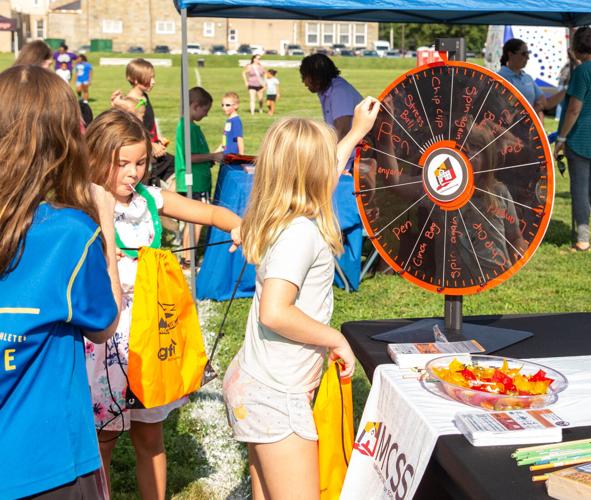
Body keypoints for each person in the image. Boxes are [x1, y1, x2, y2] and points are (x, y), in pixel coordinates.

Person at [222, 97, 379, 499]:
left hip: (260, 383)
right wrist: (336, 339)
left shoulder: (288, 217)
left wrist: (356, 133)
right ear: (313, 175)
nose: (336, 169)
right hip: (276, 394)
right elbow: (276, 311)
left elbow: (321, 174)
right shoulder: (300, 233)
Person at [85, 109, 242, 499]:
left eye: (140, 162)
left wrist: (236, 223)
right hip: (103, 344)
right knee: (103, 439)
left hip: (150, 341)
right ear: (95, 157)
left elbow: (207, 212)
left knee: (150, 437)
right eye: (121, 163)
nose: (133, 172)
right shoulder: (84, 206)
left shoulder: (150, 200)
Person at [0, 64, 121, 499]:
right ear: (65, 140)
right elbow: (106, 323)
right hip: (50, 466)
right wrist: (102, 221)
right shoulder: (68, 233)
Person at [555, 26, 591, 252]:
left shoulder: (580, 72)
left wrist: (561, 137)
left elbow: (574, 109)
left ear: (577, 47)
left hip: (580, 138)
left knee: (579, 190)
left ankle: (582, 239)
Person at [175, 87, 223, 265]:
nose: (206, 115)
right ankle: (188, 259)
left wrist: (211, 157)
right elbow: (189, 157)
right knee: (197, 220)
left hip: (199, 181)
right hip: (193, 182)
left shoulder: (192, 127)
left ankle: (187, 258)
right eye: (205, 110)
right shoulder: (186, 128)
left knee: (193, 220)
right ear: (195, 106)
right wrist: (213, 156)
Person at [300, 54, 363, 172]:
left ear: (317, 76)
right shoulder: (327, 91)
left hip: (354, 159)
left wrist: (327, 161)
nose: (304, 82)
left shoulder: (339, 92)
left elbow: (342, 131)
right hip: (348, 155)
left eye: (305, 77)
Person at [126, 59, 170, 169]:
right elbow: (134, 132)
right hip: (141, 154)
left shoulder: (144, 97)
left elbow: (147, 124)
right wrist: (152, 145)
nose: (153, 82)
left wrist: (156, 137)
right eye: (149, 78)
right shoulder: (131, 103)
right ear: (135, 80)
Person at [497, 38, 548, 120]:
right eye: (524, 54)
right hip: (510, 129)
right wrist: (535, 110)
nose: (528, 57)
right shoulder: (500, 78)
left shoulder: (528, 78)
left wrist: (565, 90)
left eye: (528, 53)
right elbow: (509, 110)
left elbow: (544, 102)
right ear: (510, 54)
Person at [221, 91, 245, 155]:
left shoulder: (236, 121)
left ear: (236, 106)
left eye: (227, 105)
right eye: (222, 105)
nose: (224, 107)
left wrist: (241, 156)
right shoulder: (228, 121)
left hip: (233, 158)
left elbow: (239, 139)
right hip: (225, 157)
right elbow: (224, 141)